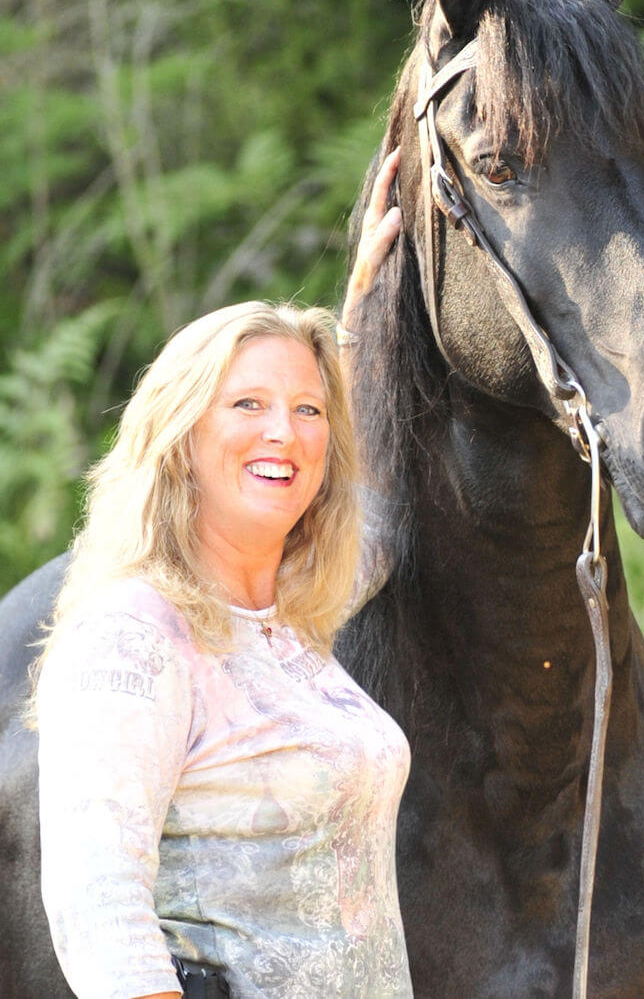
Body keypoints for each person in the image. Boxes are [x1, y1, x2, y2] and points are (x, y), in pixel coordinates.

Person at [34, 151, 407, 999]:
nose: (286, 431)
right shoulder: (136, 634)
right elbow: (97, 907)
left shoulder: (291, 624)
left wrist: (368, 313)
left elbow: (378, 515)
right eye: (247, 405)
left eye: (308, 411)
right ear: (182, 436)